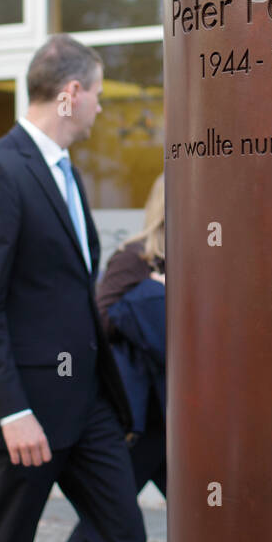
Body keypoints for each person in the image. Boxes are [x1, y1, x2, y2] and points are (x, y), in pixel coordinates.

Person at [0, 34, 146, 542]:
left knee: (121, 536)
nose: (99, 107)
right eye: (96, 93)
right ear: (70, 94)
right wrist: (10, 410)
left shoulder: (66, 173)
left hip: (86, 405)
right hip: (27, 413)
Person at [96, 175, 166, 498]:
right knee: (112, 520)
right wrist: (153, 294)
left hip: (182, 412)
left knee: (206, 515)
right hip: (146, 413)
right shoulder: (134, 256)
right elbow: (103, 319)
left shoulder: (204, 251)